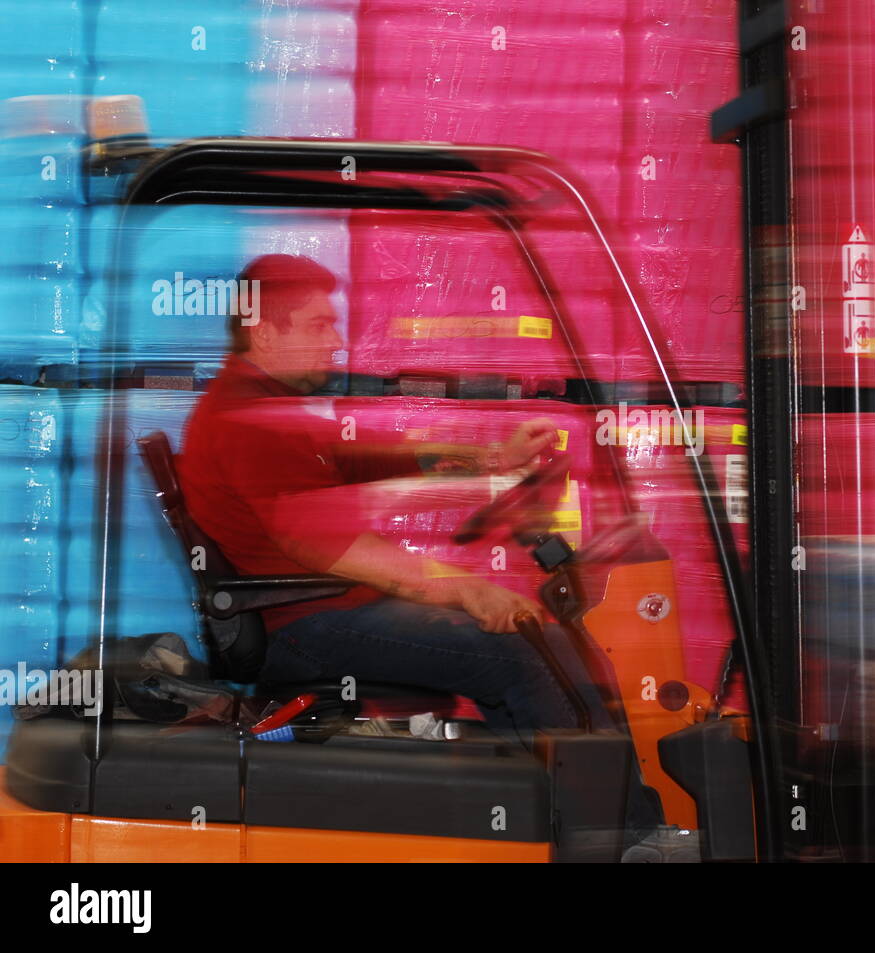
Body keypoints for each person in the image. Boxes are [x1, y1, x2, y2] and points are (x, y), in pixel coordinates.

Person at [177, 254, 693, 860]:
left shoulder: (264, 409)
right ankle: (629, 843)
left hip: (319, 612)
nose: (337, 342)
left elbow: (364, 458)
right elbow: (318, 541)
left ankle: (570, 824)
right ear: (265, 331)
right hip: (304, 627)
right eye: (319, 325)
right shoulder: (245, 422)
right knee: (525, 650)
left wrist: (488, 457)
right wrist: (466, 590)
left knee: (537, 649)